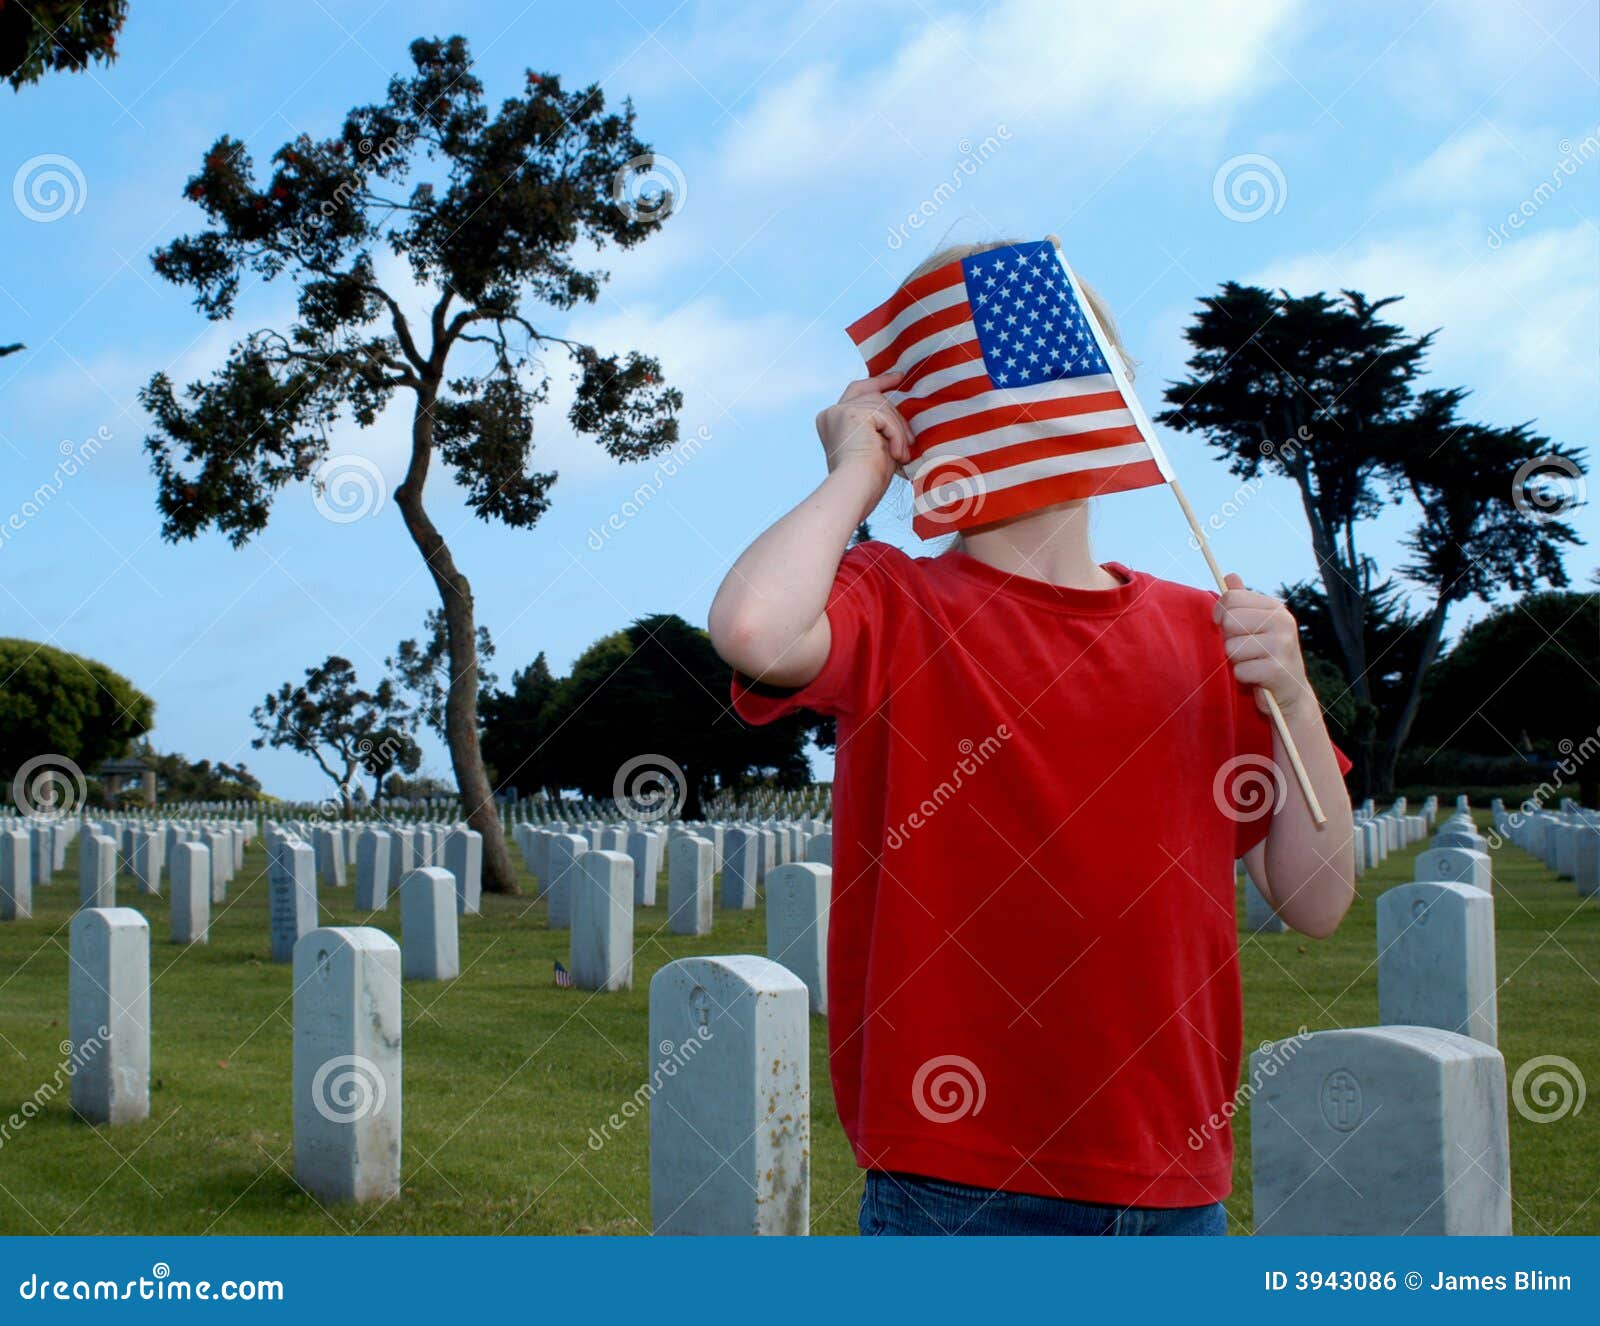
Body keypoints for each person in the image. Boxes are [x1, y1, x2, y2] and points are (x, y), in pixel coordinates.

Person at [707, 241, 1354, 1236]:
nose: (1020, 414)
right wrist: (853, 474)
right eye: (970, 389)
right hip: (953, 1175)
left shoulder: (1206, 634)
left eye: (1061, 381)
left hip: (1171, 1175)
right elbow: (753, 628)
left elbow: (1315, 899)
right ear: (913, 428)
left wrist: (1298, 705)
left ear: (1113, 410)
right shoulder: (893, 605)